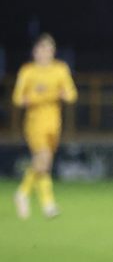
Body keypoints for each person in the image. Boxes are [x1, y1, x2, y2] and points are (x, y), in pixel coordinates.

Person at [12, 34, 77, 219]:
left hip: (54, 123)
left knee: (44, 164)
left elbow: (71, 94)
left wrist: (55, 94)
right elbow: (17, 98)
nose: (44, 53)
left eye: (48, 49)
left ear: (53, 51)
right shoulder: (28, 71)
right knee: (43, 157)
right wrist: (46, 95)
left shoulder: (60, 69)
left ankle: (26, 195)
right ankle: (44, 203)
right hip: (34, 122)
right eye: (41, 49)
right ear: (35, 52)